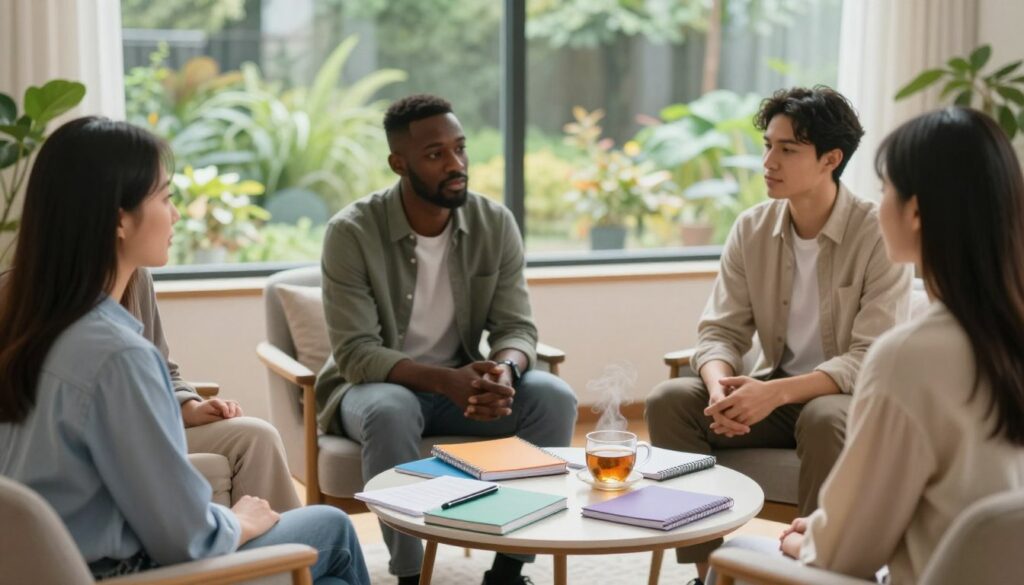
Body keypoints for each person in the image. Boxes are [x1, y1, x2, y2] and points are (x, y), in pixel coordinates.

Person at [0, 116, 369, 585]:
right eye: (165, 198)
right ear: (119, 218)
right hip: (126, 575)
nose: (175, 215)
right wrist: (242, 519)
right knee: (333, 528)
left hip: (48, 570)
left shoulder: (30, 331)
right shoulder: (116, 356)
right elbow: (185, 537)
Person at [707, 106, 1024, 584]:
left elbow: (840, 557)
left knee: (734, 556)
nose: (879, 205)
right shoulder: (1004, 335)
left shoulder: (908, 358)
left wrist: (807, 539)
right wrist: (825, 528)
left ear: (914, 213)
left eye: (885, 189)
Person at [645, 86, 912, 581]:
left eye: (787, 149)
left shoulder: (877, 232)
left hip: (844, 401)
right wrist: (720, 387)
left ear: (831, 159)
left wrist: (774, 394)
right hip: (774, 393)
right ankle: (707, 570)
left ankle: (812, 570)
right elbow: (720, 331)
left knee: (823, 417)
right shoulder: (751, 228)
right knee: (670, 400)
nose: (768, 162)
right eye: (768, 145)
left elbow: (870, 357)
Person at [316, 94, 578, 585]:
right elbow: (356, 353)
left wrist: (505, 370)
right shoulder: (351, 232)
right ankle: (410, 574)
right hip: (375, 388)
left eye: (460, 148)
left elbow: (517, 328)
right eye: (436, 154)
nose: (456, 164)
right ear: (399, 163)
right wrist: (445, 381)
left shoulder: (493, 223)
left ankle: (509, 570)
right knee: (391, 409)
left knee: (554, 397)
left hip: (463, 384)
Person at [124, 268, 301, 511]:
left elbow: (162, 373)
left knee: (258, 436)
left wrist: (190, 408)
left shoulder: (138, 278)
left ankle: (281, 535)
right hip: (121, 439)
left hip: (149, 427)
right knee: (333, 523)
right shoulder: (79, 300)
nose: (174, 229)